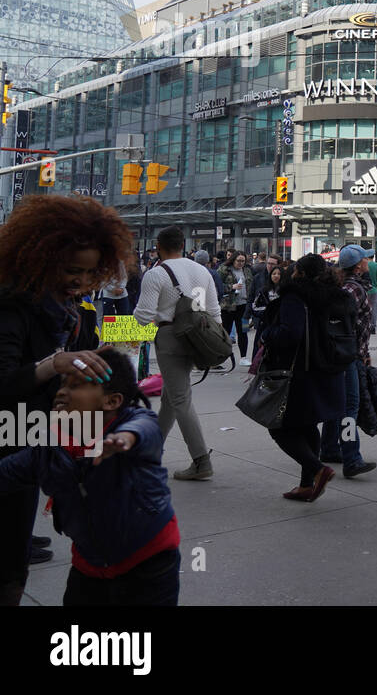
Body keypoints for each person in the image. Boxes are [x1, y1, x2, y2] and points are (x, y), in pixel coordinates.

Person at [0, 194, 131, 605]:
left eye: (91, 272)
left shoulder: (74, 308)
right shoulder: (12, 305)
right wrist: (53, 364)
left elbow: (97, 351)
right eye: (72, 270)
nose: (80, 280)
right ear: (42, 257)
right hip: (8, 436)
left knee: (13, 554)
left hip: (35, 435)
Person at [0, 345, 181, 605]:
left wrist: (125, 438)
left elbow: (144, 428)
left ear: (112, 401)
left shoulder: (132, 426)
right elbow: (7, 472)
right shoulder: (48, 448)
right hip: (88, 566)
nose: (62, 392)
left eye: (75, 386)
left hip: (149, 562)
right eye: (62, 384)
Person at [258, 253, 348, 502]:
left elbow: (290, 333)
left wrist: (267, 334)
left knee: (278, 427)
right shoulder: (336, 294)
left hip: (301, 372)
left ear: (300, 273)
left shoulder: (295, 295)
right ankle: (307, 484)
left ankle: (318, 470)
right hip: (329, 369)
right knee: (308, 425)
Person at [134, 227, 221, 482]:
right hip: (197, 337)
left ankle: (201, 460)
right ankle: (150, 452)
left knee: (179, 398)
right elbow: (214, 310)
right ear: (183, 245)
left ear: (158, 246)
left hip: (170, 337)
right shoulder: (201, 271)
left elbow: (144, 316)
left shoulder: (156, 274)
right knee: (171, 398)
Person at [321, 245, 376, 478]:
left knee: (339, 404)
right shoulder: (353, 289)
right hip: (348, 356)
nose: (368, 261)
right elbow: (349, 325)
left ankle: (330, 448)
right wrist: (360, 351)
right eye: (365, 259)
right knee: (349, 408)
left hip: (346, 354)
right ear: (358, 265)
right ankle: (352, 457)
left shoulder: (346, 286)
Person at [219, 252, 254, 365]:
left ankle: (243, 357)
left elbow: (251, 285)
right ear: (233, 260)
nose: (240, 263)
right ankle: (220, 357)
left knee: (243, 331)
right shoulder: (224, 269)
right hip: (228, 307)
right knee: (225, 332)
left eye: (243, 261)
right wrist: (231, 287)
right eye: (238, 260)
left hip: (243, 306)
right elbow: (217, 285)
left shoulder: (247, 270)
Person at [250, 265, 283, 333]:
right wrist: (268, 310)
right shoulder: (264, 290)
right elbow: (254, 307)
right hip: (265, 325)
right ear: (270, 276)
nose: (276, 276)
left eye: (279, 274)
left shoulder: (286, 291)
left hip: (281, 325)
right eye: (274, 273)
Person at [366, 251, 377, 335]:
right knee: (374, 309)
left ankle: (365, 325)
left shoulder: (364, 265)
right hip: (374, 290)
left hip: (364, 290)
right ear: (373, 257)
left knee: (364, 308)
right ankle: (373, 326)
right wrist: (376, 279)